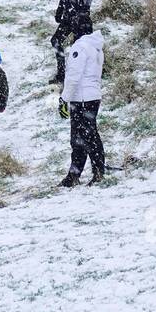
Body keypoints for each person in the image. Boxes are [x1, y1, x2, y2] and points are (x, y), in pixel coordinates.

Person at [59, 15, 106, 187]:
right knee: (87, 135)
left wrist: (64, 99)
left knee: (83, 137)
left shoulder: (79, 47)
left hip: (81, 98)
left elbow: (73, 77)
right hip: (93, 96)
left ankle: (90, 173)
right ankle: (78, 174)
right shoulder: (96, 47)